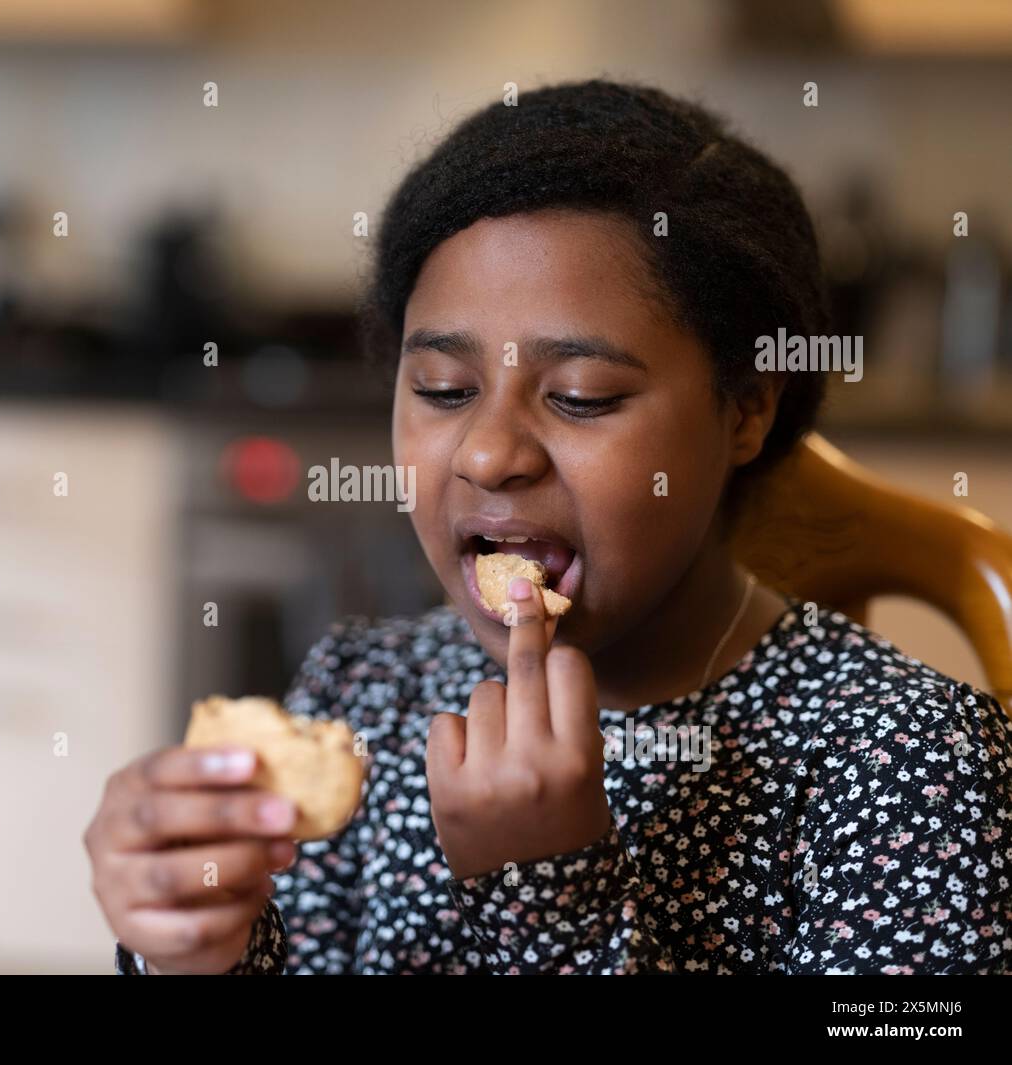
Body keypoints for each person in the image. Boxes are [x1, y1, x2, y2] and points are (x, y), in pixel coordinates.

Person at [85, 79, 1012, 975]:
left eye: (582, 397)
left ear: (746, 411)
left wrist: (547, 899)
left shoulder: (910, 762)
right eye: (443, 389)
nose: (488, 454)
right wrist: (192, 948)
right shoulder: (363, 696)